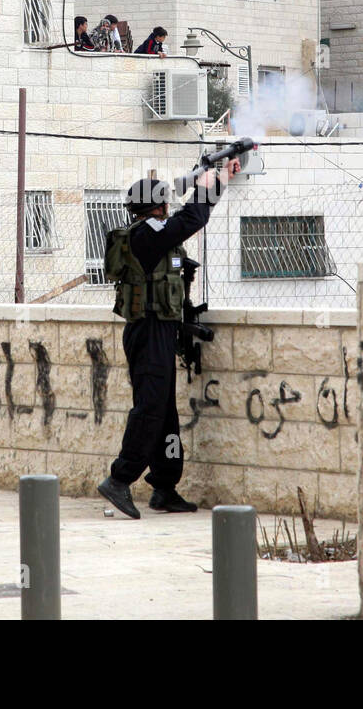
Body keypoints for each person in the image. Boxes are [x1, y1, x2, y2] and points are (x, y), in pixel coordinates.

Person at [97, 156, 241, 518]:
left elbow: (187, 219)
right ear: (156, 205)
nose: (168, 210)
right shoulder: (146, 234)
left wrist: (220, 177)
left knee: (164, 412)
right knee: (150, 408)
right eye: (165, 204)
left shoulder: (152, 234)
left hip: (158, 328)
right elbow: (191, 219)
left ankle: (164, 486)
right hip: (148, 330)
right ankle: (119, 478)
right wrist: (207, 186)